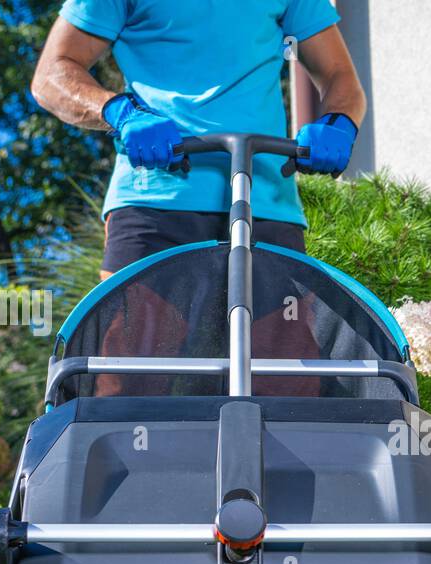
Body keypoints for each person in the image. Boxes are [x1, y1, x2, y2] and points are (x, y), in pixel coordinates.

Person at [31, 0, 366, 394]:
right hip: (155, 204)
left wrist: (339, 123)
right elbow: (52, 75)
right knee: (126, 385)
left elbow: (341, 77)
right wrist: (120, 112)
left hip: (266, 205)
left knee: (287, 387)